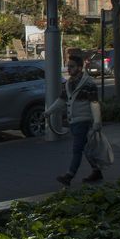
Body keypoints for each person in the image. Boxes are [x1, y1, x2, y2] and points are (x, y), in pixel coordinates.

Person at [43, 53, 104, 186]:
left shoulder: (88, 84)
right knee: (86, 149)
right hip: (74, 121)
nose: (68, 69)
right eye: (68, 66)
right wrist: (49, 112)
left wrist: (97, 121)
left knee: (77, 149)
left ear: (80, 67)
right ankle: (96, 171)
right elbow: (61, 101)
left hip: (83, 121)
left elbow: (94, 103)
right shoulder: (68, 84)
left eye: (72, 66)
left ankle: (69, 175)